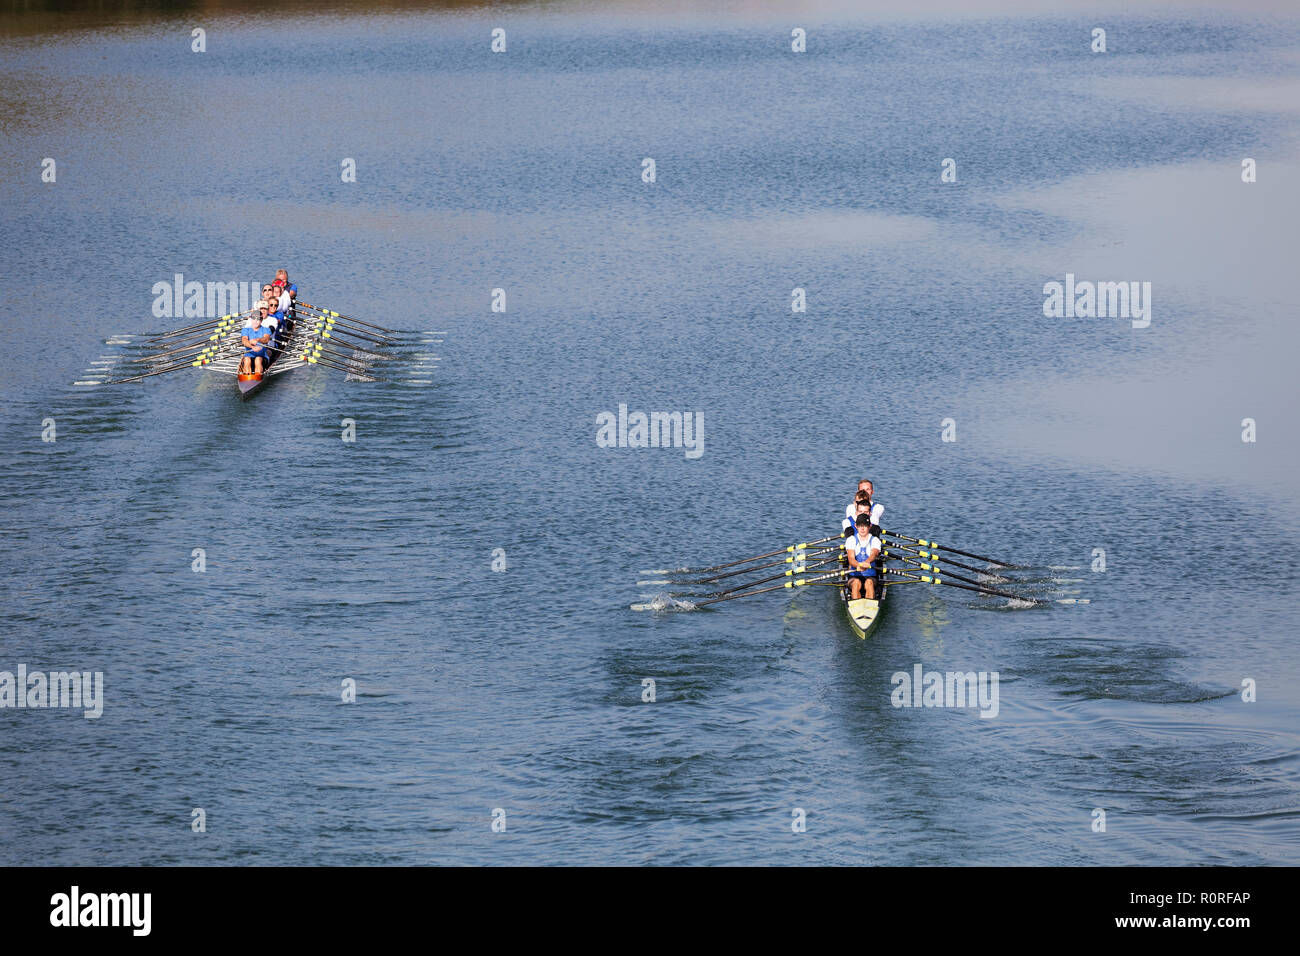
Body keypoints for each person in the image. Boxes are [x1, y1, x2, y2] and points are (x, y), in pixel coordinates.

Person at [845, 514, 882, 601]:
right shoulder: (851, 540)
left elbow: (874, 554)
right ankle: (856, 608)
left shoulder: (875, 540)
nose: (862, 528)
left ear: (870, 526)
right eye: (860, 525)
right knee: (856, 583)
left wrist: (867, 562)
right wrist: (858, 565)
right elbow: (851, 559)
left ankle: (869, 607)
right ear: (856, 526)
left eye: (865, 526)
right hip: (854, 576)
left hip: (871, 577)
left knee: (869, 583)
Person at [239, 302, 273, 375]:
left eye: (258, 319)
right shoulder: (245, 329)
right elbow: (244, 341)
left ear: (261, 320)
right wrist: (252, 347)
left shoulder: (266, 329)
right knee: (247, 360)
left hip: (262, 356)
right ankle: (247, 379)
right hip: (249, 355)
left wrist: (258, 340)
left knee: (258, 359)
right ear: (251, 319)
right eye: (254, 318)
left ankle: (257, 377)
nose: (256, 321)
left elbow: (266, 339)